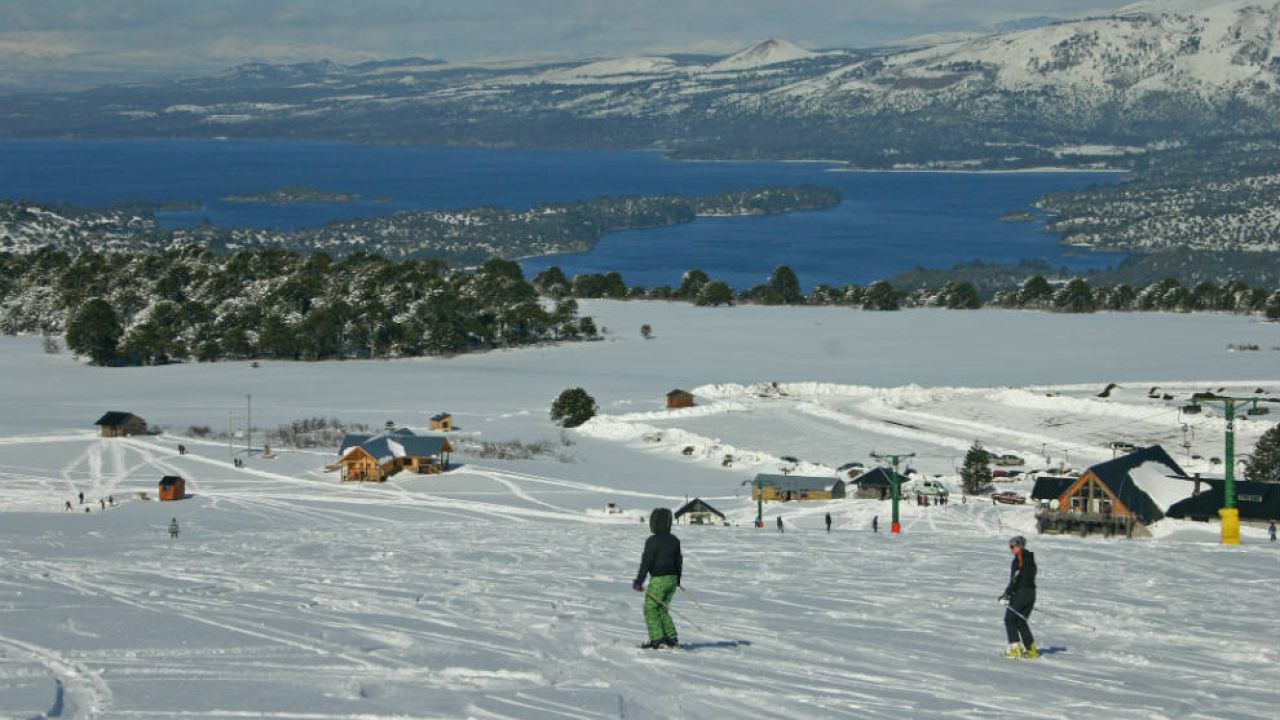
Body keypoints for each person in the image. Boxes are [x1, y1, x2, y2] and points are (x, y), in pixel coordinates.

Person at [633, 507, 682, 649]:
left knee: (651, 608)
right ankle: (671, 637)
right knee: (662, 608)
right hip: (672, 580)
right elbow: (679, 561)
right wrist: (677, 579)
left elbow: (646, 562)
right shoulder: (674, 540)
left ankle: (657, 639)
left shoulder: (652, 541)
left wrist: (639, 581)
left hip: (659, 579)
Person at [999, 535, 1038, 659]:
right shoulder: (1030, 559)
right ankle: (1032, 650)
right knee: (1021, 621)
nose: (1010, 549)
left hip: (1022, 593)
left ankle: (1015, 649)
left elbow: (1015, 580)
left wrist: (1006, 595)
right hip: (1031, 594)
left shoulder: (1019, 559)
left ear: (1018, 546)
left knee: (1009, 619)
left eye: (1012, 546)